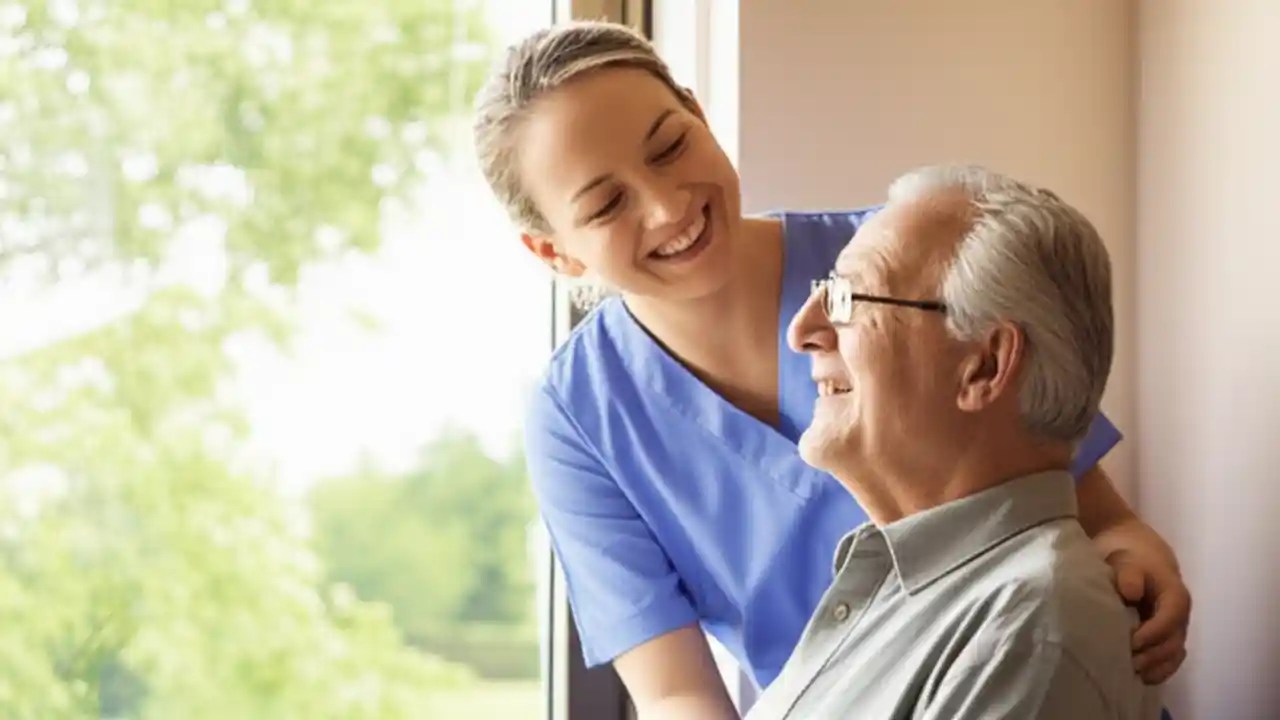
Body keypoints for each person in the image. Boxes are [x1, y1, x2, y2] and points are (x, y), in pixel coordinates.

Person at [472, 20, 1190, 719]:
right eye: (606, 205)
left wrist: (1131, 557)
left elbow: (1067, 488)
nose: (666, 207)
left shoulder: (897, 260)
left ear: (697, 111)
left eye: (669, 147)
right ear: (554, 252)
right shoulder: (578, 416)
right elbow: (675, 693)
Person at [747, 164, 1159, 719]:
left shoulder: (1031, 631)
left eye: (848, 298)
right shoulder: (906, 593)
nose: (801, 330)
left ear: (983, 367)